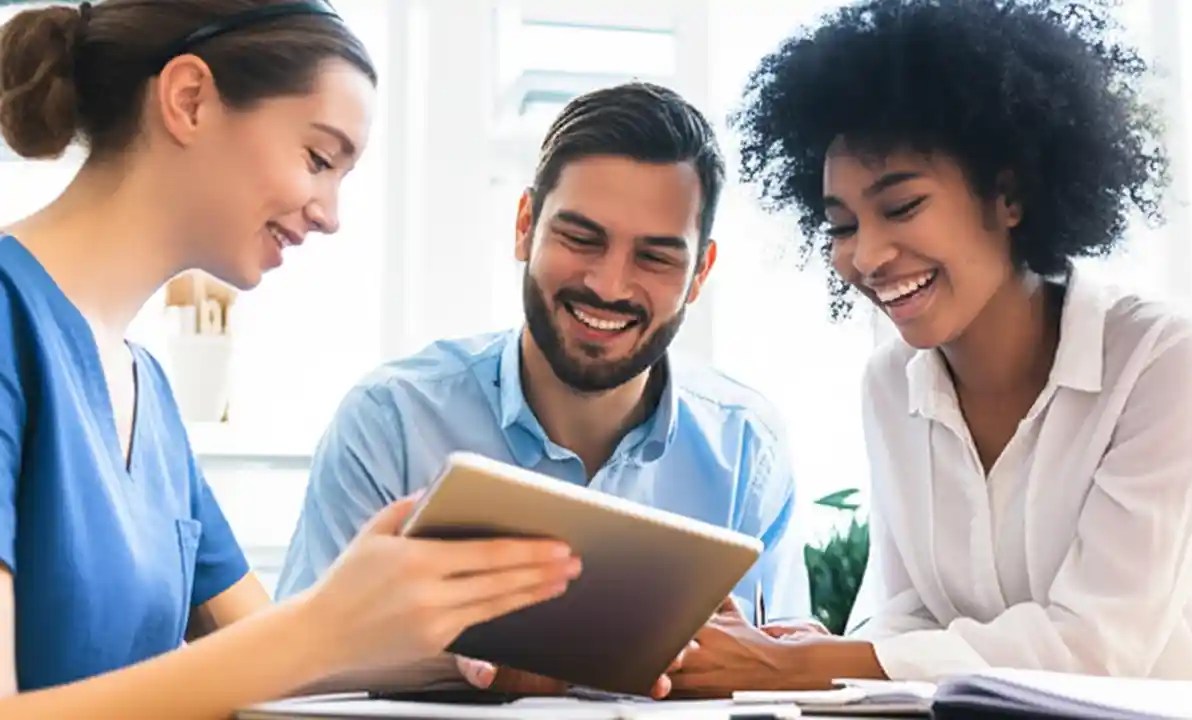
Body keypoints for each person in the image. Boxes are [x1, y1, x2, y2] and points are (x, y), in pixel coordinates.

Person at [0, 1, 588, 715]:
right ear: (189, 100)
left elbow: (263, 650)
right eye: (318, 159)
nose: (330, 214)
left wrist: (496, 659)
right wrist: (327, 621)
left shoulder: (145, 388)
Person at [669, 0, 1192, 695]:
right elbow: (907, 611)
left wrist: (804, 667)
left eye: (901, 207)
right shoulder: (891, 381)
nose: (866, 256)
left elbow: (1098, 644)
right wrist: (806, 650)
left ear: (1008, 195)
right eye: (842, 225)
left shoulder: (1158, 356)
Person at [276, 81, 812, 692]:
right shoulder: (392, 421)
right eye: (581, 239)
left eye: (655, 258)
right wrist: (471, 667)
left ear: (699, 274)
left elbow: (771, 676)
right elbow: (292, 671)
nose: (608, 285)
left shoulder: (746, 448)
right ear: (525, 226)